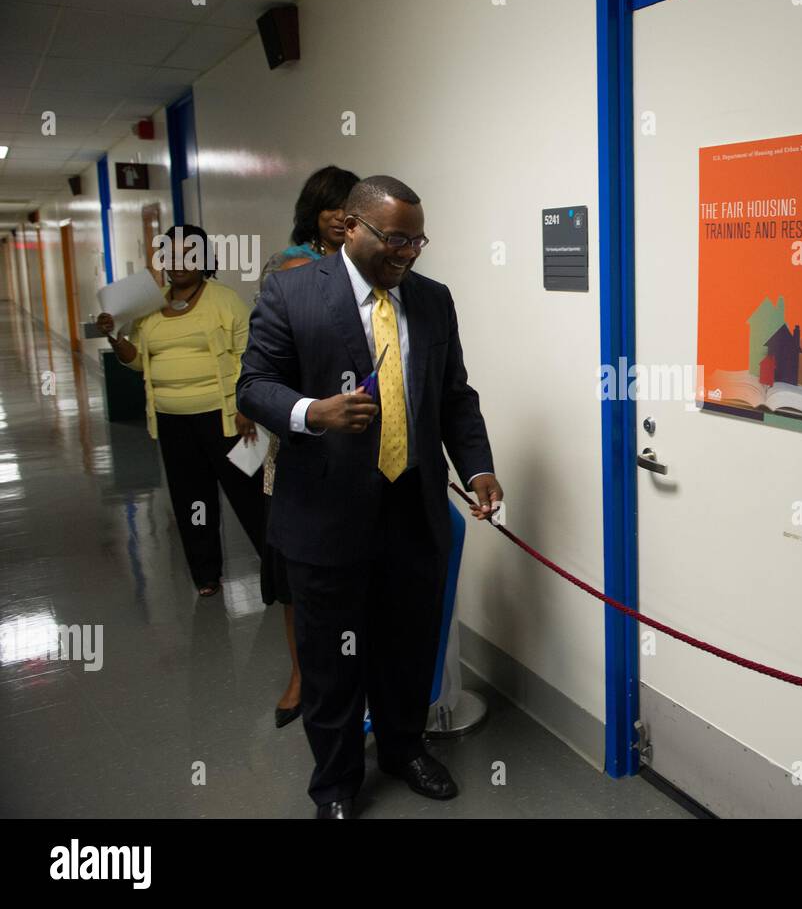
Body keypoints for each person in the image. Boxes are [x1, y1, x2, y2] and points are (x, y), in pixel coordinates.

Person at [237, 175, 504, 819]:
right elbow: (254, 385)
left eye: (418, 240)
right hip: (325, 517)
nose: (409, 253)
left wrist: (476, 469)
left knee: (408, 647)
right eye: (395, 238)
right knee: (331, 662)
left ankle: (403, 749)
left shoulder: (434, 301)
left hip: (412, 513)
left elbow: (453, 396)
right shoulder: (292, 289)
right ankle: (334, 784)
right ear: (350, 227)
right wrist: (309, 412)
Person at [97, 224, 264, 598]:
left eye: (189, 253)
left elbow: (249, 357)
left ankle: (277, 569)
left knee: (250, 497)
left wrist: (245, 405)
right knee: (192, 499)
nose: (179, 261)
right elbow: (138, 360)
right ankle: (205, 575)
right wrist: (116, 338)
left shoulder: (225, 300)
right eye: (170, 254)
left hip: (224, 419)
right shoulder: (150, 306)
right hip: (172, 422)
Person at [257, 166, 360, 729]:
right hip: (299, 441)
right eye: (332, 205)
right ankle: (301, 674)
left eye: (352, 205)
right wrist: (307, 413)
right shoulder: (288, 268)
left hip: (361, 450)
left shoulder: (374, 267)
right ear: (313, 209)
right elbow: (263, 373)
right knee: (299, 574)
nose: (342, 214)